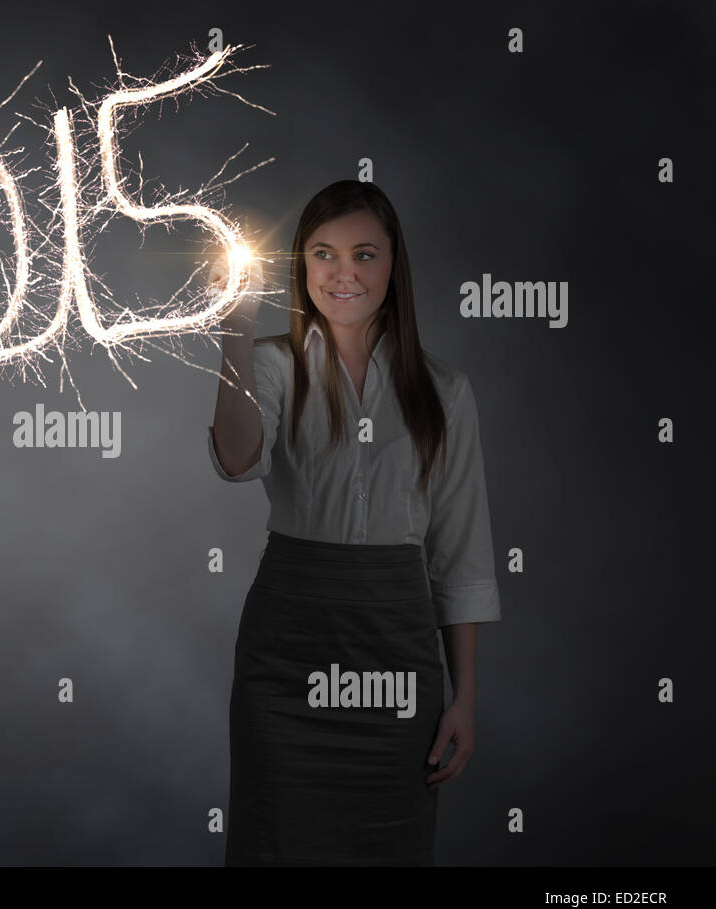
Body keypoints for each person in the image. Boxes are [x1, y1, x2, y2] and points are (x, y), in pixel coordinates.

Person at [207, 179, 501, 866]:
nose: (344, 273)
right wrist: (234, 331)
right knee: (274, 844)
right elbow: (237, 458)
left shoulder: (445, 390)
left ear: (394, 264)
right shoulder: (271, 363)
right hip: (287, 652)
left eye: (364, 254)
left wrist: (464, 698)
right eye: (323, 254)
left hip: (398, 655)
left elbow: (459, 552)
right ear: (301, 265)